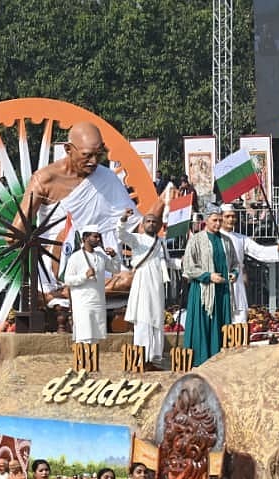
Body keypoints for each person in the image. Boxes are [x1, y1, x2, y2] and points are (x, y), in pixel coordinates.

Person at [15, 121, 136, 267]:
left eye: (98, 155)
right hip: (57, 261)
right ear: (68, 149)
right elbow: (16, 232)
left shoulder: (107, 177)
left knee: (129, 280)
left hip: (99, 261)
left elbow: (134, 223)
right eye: (87, 155)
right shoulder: (44, 180)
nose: (93, 161)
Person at [181, 205, 238, 363]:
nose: (218, 224)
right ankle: (202, 359)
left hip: (223, 291)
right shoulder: (196, 239)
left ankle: (220, 360)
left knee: (221, 324)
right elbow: (188, 266)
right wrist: (208, 276)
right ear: (206, 220)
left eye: (220, 220)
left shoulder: (226, 240)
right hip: (203, 291)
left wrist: (234, 273)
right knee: (204, 325)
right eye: (215, 220)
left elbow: (235, 263)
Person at [119, 205, 170, 363]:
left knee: (156, 316)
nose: (151, 224)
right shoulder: (137, 239)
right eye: (148, 221)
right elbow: (121, 235)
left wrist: (185, 265)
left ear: (158, 225)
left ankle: (155, 355)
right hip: (142, 279)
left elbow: (167, 261)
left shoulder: (161, 242)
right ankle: (142, 355)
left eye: (154, 222)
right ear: (143, 224)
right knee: (143, 317)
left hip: (157, 282)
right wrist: (123, 220)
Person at [222, 204, 279, 324]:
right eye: (227, 216)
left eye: (233, 216)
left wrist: (277, 249)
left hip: (236, 281)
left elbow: (258, 251)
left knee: (239, 316)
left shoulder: (240, 238)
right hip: (219, 280)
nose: (231, 219)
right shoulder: (213, 237)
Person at [63, 224, 121, 344]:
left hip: (98, 302)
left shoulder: (101, 256)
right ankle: (83, 362)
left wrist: (114, 256)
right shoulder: (75, 257)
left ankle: (92, 362)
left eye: (99, 236)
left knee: (95, 338)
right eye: (95, 236)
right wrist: (84, 276)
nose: (98, 239)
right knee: (84, 337)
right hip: (83, 304)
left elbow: (116, 269)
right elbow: (67, 280)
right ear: (85, 238)